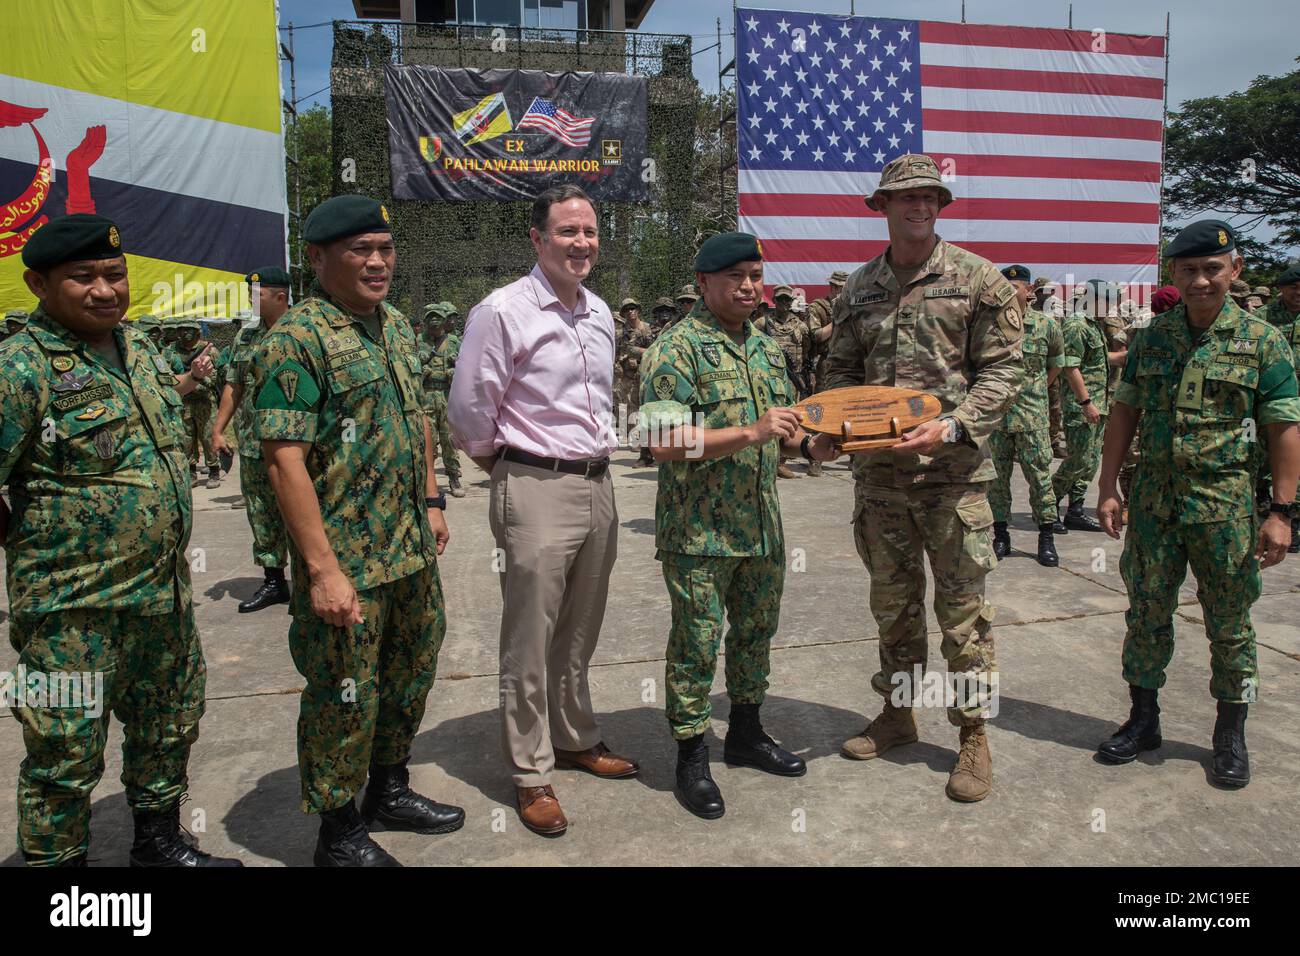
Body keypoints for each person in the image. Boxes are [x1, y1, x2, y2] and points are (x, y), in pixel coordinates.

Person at [0, 214, 238, 866]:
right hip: (71, 611)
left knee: (168, 724)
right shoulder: (21, 367)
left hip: (161, 599)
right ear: (39, 284)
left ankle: (158, 844)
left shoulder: (136, 348)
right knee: (63, 751)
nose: (106, 289)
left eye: (115, 273)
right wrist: (26, 542)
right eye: (84, 277)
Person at [251, 194, 463, 866]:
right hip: (348, 563)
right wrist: (321, 570)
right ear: (318, 258)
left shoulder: (394, 326)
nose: (378, 262)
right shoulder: (296, 340)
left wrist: (431, 500)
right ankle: (338, 833)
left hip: (409, 551)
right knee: (344, 696)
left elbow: (420, 417)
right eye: (360, 251)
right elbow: (284, 460)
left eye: (385, 249)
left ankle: (388, 789)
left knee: (410, 675)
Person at [823, 154, 1023, 803]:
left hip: (953, 480)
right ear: (882, 207)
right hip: (880, 482)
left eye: (929, 197)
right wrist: (829, 427)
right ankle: (899, 714)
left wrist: (956, 425)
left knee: (964, 616)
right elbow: (840, 371)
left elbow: (1003, 371)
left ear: (940, 204)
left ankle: (971, 734)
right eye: (905, 198)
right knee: (894, 607)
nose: (919, 207)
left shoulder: (978, 281)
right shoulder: (859, 289)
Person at [448, 184, 638, 838]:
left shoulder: (601, 312)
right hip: (533, 484)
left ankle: (575, 736)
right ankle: (531, 772)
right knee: (529, 638)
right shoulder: (502, 311)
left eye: (589, 230)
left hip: (597, 484)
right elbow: (470, 411)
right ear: (537, 239)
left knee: (579, 629)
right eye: (567, 232)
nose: (581, 243)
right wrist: (510, 471)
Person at [638, 232, 838, 819]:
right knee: (697, 643)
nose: (749, 287)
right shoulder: (676, 349)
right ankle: (691, 757)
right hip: (698, 533)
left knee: (755, 635)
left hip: (761, 527)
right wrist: (749, 433)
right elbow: (662, 441)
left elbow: (788, 427)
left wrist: (810, 448)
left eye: (755, 275)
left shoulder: (768, 348)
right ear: (704, 283)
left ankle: (747, 733)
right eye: (735, 278)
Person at [1095, 220, 1300, 788]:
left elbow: (1283, 427)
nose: (1202, 279)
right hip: (1155, 507)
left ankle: (1230, 733)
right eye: (1189, 270)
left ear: (1234, 270)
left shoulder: (1263, 341)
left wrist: (1281, 511)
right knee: (1146, 614)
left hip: (1225, 508)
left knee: (1231, 623)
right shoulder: (1153, 338)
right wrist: (1108, 486)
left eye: (1213, 268)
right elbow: (1124, 413)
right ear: (1174, 275)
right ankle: (1143, 720)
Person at [211, 269, 293, 612]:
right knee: (261, 511)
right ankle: (274, 581)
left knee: (302, 509)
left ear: (280, 296)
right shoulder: (245, 337)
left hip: (297, 444)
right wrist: (218, 430)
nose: (249, 299)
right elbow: (234, 385)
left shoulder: (302, 331)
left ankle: (310, 580)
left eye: (256, 293)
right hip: (253, 442)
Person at [988, 265, 1064, 567]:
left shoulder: (1046, 326)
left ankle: (1046, 538)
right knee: (996, 481)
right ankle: (1001, 536)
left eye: (1015, 287)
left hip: (1032, 419)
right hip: (997, 420)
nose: (1008, 293)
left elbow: (1056, 364)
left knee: (1041, 480)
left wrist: (1032, 390)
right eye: (1003, 288)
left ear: (1029, 291)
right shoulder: (990, 326)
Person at [1051, 280, 1121, 532]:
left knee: (1091, 462)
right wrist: (1086, 402)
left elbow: (1095, 361)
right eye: (1110, 303)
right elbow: (1071, 366)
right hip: (1082, 406)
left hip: (1097, 405)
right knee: (1079, 459)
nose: (1112, 309)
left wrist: (1123, 357)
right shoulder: (1077, 325)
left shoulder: (1093, 325)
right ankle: (1048, 506)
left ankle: (1075, 510)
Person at [1261, 264, 1300, 551]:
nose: (1298, 293)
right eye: (1292, 287)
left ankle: (1293, 521)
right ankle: (1266, 510)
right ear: (1282, 289)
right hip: (1271, 402)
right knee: (1266, 458)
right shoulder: (1263, 319)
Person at [419, 301, 465, 497]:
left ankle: (454, 477)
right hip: (427, 396)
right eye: (431, 318)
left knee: (449, 439)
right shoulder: (419, 340)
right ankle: (427, 483)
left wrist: (455, 369)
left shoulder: (454, 341)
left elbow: (466, 365)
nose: (435, 322)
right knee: (428, 441)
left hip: (447, 396)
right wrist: (423, 370)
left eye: (438, 318)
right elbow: (409, 366)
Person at [765, 284, 809, 479]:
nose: (784, 303)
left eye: (787, 300)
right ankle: (772, 461)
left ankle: (782, 461)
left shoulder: (800, 325)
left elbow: (809, 347)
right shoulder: (762, 323)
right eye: (780, 299)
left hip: (793, 377)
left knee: (791, 419)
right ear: (774, 301)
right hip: (769, 379)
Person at [615, 296, 657, 467]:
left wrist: (639, 357)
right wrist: (625, 361)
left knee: (648, 407)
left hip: (647, 372)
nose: (630, 311)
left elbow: (655, 349)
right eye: (627, 309)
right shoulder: (621, 333)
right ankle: (636, 440)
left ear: (638, 310)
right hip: (628, 374)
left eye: (633, 308)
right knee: (631, 406)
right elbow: (618, 352)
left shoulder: (648, 328)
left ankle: (651, 445)